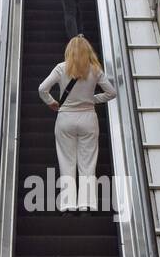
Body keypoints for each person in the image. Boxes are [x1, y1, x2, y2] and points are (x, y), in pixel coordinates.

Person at [38, 35, 116, 212]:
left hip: (65, 119)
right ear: (87, 51)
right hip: (88, 118)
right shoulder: (95, 70)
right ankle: (87, 204)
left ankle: (68, 204)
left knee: (66, 161)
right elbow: (111, 93)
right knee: (88, 162)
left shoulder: (61, 68)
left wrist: (51, 102)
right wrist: (92, 99)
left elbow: (42, 89)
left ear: (69, 51)